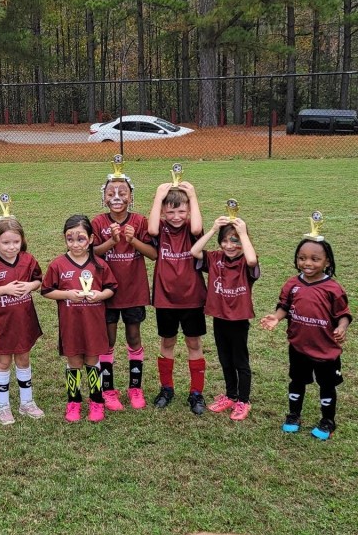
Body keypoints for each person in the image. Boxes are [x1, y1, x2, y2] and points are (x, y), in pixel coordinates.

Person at [260, 236, 351, 439]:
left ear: (327, 262)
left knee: (327, 385)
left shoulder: (333, 289)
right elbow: (283, 306)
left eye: (315, 259)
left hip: (325, 349)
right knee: (297, 381)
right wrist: (276, 317)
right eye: (302, 258)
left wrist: (342, 327)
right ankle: (294, 415)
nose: (307, 263)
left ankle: (328, 420)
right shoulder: (292, 284)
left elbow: (343, 314)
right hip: (299, 345)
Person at [41, 215, 117, 422]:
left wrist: (100, 296)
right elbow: (47, 290)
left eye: (81, 239)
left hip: (93, 324)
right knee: (74, 362)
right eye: (70, 239)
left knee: (93, 361)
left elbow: (111, 288)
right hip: (71, 324)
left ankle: (96, 401)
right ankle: (73, 402)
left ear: (91, 239)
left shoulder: (99, 265)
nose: (75, 244)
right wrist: (67, 294)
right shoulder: (58, 265)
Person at [92, 174, 156, 410]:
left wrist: (133, 241)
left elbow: (153, 254)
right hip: (106, 292)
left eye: (122, 193)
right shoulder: (98, 223)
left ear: (131, 196)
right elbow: (92, 254)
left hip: (134, 291)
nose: (117, 197)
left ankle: (135, 387)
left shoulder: (140, 221)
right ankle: (108, 390)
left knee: (133, 336)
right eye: (111, 193)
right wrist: (112, 240)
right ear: (104, 197)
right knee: (107, 341)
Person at [0, 216, 44, 425]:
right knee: (4, 362)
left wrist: (30, 286)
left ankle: (26, 402)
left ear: (22, 240)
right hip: (3, 323)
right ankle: (3, 406)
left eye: (16, 242)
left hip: (24, 321)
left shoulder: (28, 259)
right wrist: (5, 289)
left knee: (23, 359)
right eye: (5, 243)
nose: (11, 247)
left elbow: (38, 280)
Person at [190, 215, 259, 421]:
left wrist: (243, 233)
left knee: (240, 362)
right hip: (219, 317)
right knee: (225, 360)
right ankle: (230, 395)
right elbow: (194, 251)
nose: (230, 246)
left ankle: (243, 401)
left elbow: (253, 259)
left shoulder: (246, 263)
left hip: (238, 320)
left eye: (235, 241)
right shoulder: (214, 258)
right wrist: (212, 230)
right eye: (226, 240)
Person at [147, 180, 207, 414]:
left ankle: (196, 392)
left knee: (194, 343)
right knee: (167, 342)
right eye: (170, 211)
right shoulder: (160, 230)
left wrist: (192, 195)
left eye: (181, 211)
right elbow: (151, 229)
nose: (176, 216)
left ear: (189, 210)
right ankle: (167, 388)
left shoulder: (193, 229)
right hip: (165, 298)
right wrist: (158, 195)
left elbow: (195, 228)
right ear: (162, 212)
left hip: (192, 297)